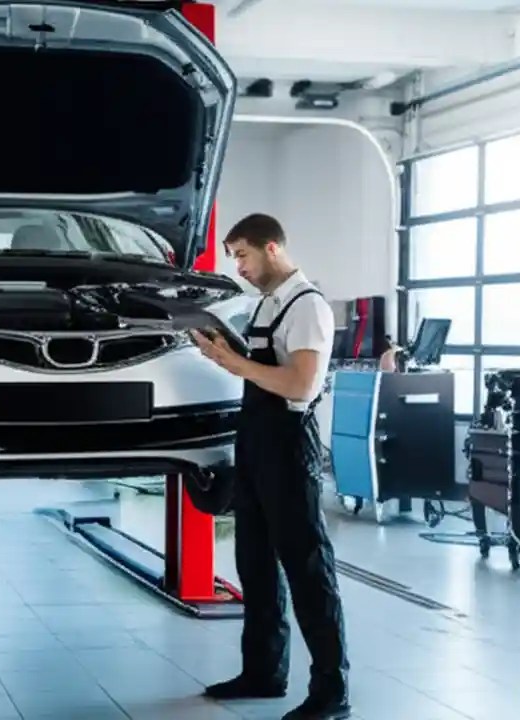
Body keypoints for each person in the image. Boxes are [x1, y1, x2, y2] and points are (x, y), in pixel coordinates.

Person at [189, 213, 351, 720]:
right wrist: (221, 352)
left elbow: (300, 384)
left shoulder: (307, 306)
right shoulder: (267, 304)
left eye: (243, 255)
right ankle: (263, 672)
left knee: (307, 568)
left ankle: (331, 692)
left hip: (288, 445)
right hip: (256, 443)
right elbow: (262, 369)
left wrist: (233, 362)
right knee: (255, 565)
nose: (238, 267)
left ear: (273, 248)